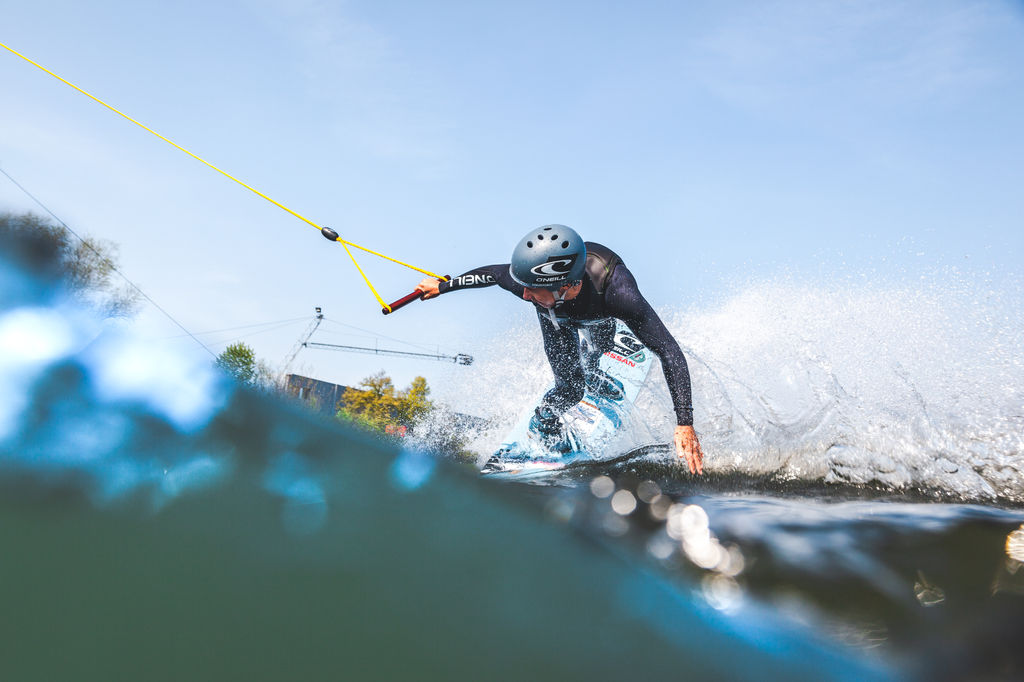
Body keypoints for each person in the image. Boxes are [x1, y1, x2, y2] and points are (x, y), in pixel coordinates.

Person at [415, 225, 704, 475]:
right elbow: (492, 274)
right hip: (555, 318)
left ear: (565, 285)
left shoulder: (619, 293)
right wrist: (443, 287)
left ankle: (593, 371)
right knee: (570, 389)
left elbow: (669, 351)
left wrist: (685, 423)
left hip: (597, 312)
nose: (523, 294)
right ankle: (543, 420)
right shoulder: (530, 287)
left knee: (601, 346)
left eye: (531, 289)